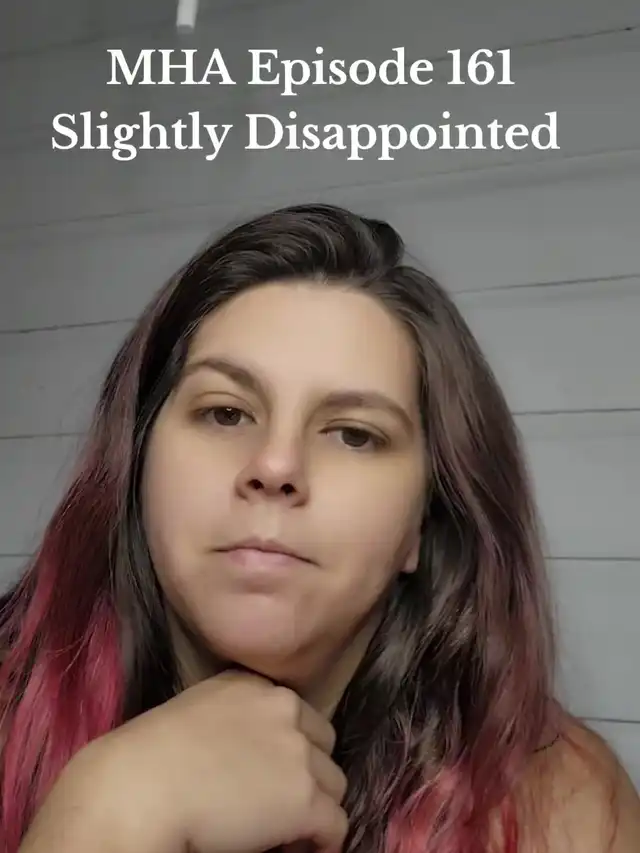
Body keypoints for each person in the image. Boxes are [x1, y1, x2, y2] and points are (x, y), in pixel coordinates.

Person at [0, 204, 638, 853]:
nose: (276, 466)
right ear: (137, 466)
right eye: (225, 413)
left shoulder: (560, 806)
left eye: (354, 434)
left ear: (422, 524)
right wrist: (108, 814)